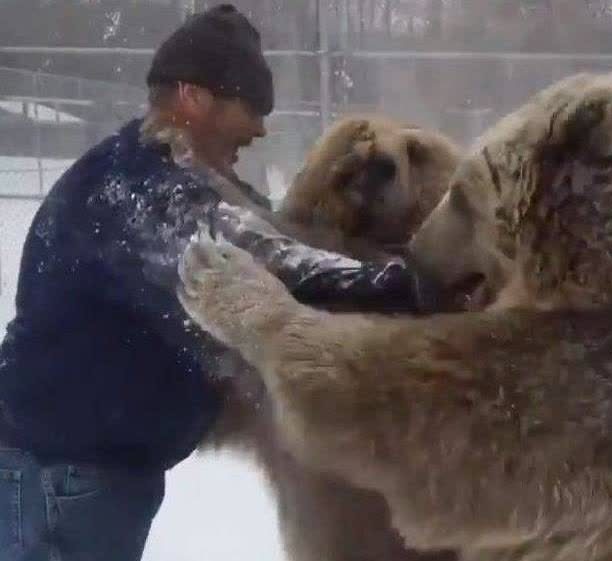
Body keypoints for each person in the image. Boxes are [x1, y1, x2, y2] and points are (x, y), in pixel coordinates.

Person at [0, 5, 423, 560]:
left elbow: (266, 233)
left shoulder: (170, 181)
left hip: (93, 472)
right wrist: (407, 286)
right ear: (193, 98)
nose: (261, 127)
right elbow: (263, 267)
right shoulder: (135, 191)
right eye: (250, 106)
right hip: (57, 479)